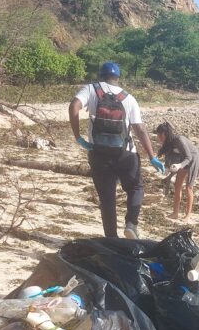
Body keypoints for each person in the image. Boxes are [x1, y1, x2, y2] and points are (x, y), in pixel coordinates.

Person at [68, 62, 165, 239]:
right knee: (136, 187)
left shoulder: (91, 89)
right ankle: (131, 224)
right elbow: (140, 130)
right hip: (125, 154)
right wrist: (152, 157)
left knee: (107, 200)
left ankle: (112, 240)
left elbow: (73, 106)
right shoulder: (128, 98)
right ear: (118, 78)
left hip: (98, 153)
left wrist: (78, 137)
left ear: (101, 76)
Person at [155, 122, 199, 221]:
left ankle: (188, 215)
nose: (159, 138)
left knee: (188, 187)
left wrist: (179, 165)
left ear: (166, 134)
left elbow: (189, 157)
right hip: (183, 160)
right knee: (177, 185)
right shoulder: (168, 143)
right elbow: (168, 157)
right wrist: (167, 169)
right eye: (158, 135)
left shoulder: (179, 140)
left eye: (160, 135)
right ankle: (175, 213)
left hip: (192, 159)